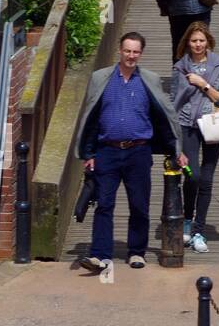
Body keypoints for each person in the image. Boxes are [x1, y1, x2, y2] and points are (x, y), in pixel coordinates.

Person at [75, 31, 186, 272]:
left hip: (139, 152)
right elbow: (91, 117)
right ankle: (100, 256)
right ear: (119, 50)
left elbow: (164, 116)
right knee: (104, 204)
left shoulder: (150, 80)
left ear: (141, 53)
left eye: (136, 52)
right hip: (107, 151)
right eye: (127, 51)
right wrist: (89, 153)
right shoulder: (100, 78)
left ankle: (137, 252)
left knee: (139, 204)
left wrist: (176, 149)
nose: (131, 56)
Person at [171, 22, 219, 254]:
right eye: (194, 41)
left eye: (201, 41)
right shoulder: (180, 67)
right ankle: (187, 218)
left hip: (214, 125)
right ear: (187, 42)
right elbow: (174, 99)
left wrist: (203, 84)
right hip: (187, 125)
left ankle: (198, 230)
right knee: (192, 175)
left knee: (206, 179)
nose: (198, 45)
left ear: (208, 42)